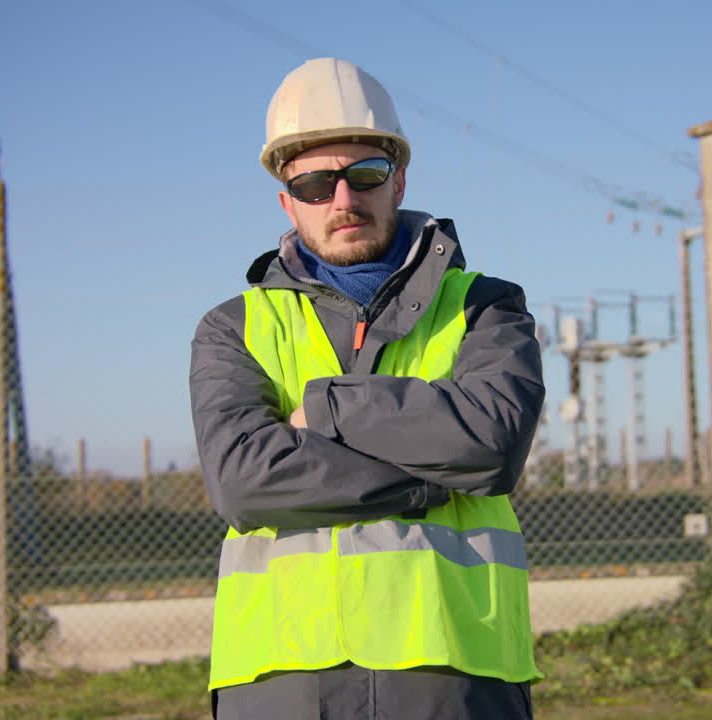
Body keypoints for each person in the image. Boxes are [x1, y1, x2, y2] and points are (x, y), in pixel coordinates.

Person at [189, 57, 545, 720]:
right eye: (318, 184)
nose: (344, 200)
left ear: (400, 178)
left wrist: (326, 406)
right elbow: (243, 481)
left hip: (457, 676)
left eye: (366, 175)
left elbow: (493, 444)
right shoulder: (234, 327)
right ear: (286, 199)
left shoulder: (485, 307)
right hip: (283, 681)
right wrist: (429, 480)